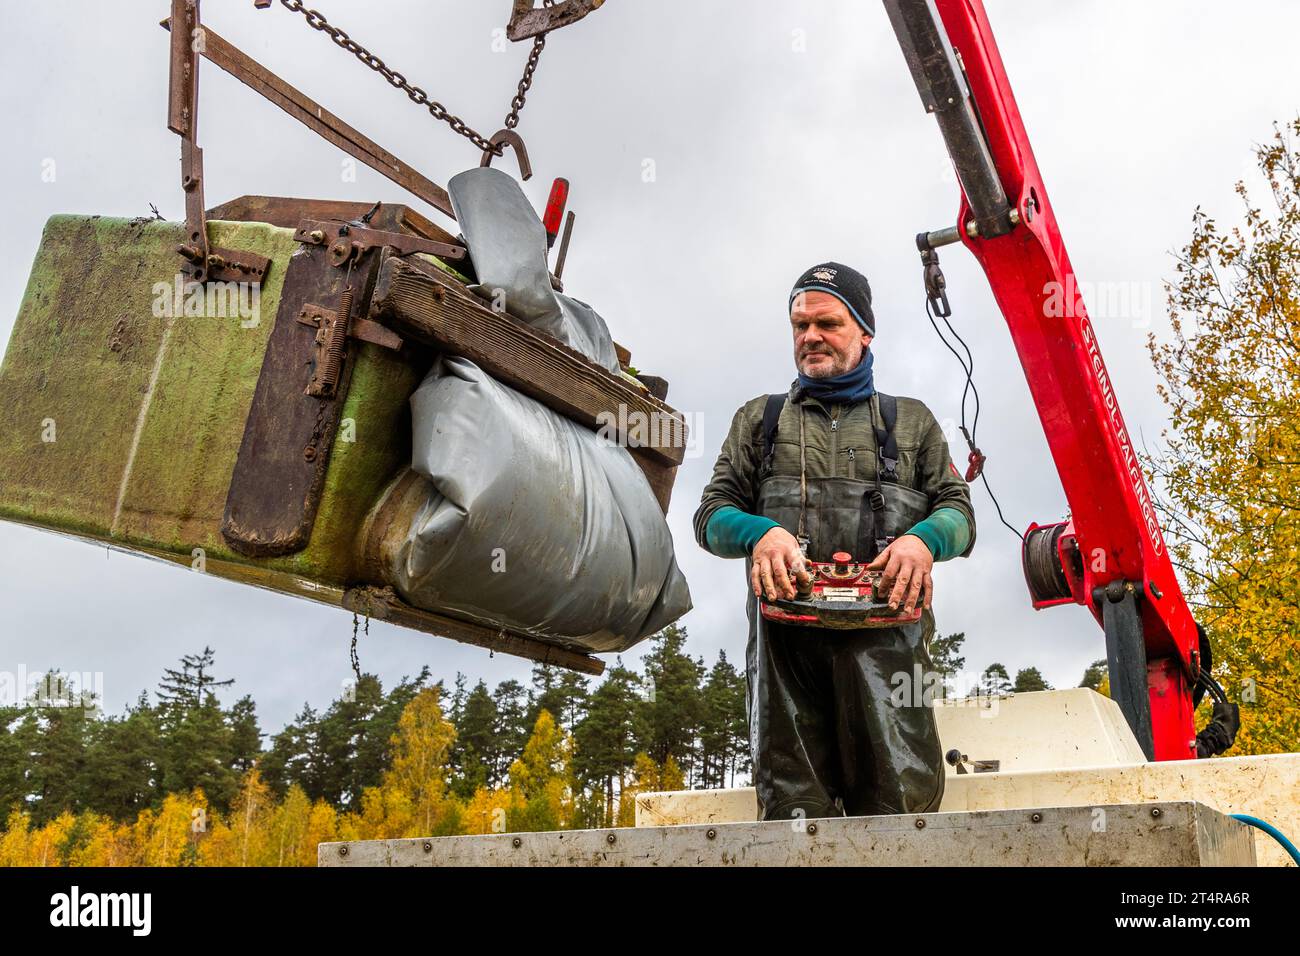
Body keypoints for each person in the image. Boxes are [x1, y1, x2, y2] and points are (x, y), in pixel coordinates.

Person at [693, 261, 976, 819]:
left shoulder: (912, 423)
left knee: (903, 818)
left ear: (864, 332)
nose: (810, 337)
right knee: (796, 821)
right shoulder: (760, 421)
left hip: (891, 663)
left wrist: (922, 542)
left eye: (827, 323)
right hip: (785, 666)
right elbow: (710, 517)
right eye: (800, 326)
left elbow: (960, 515)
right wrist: (761, 532)